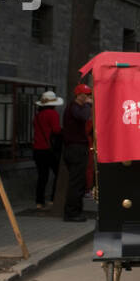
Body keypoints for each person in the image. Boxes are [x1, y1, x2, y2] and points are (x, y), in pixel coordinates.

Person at [62, 83, 93, 222]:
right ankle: (71, 213)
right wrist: (88, 105)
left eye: (89, 95)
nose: (87, 97)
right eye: (85, 95)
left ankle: (76, 211)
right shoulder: (75, 108)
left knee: (79, 182)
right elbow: (85, 116)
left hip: (77, 148)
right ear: (78, 95)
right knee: (76, 182)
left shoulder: (76, 108)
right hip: (75, 149)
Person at [32, 89, 63, 210]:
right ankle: (53, 198)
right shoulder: (53, 114)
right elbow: (56, 130)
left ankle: (39, 201)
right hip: (49, 149)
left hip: (37, 149)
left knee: (42, 176)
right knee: (58, 173)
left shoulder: (38, 116)